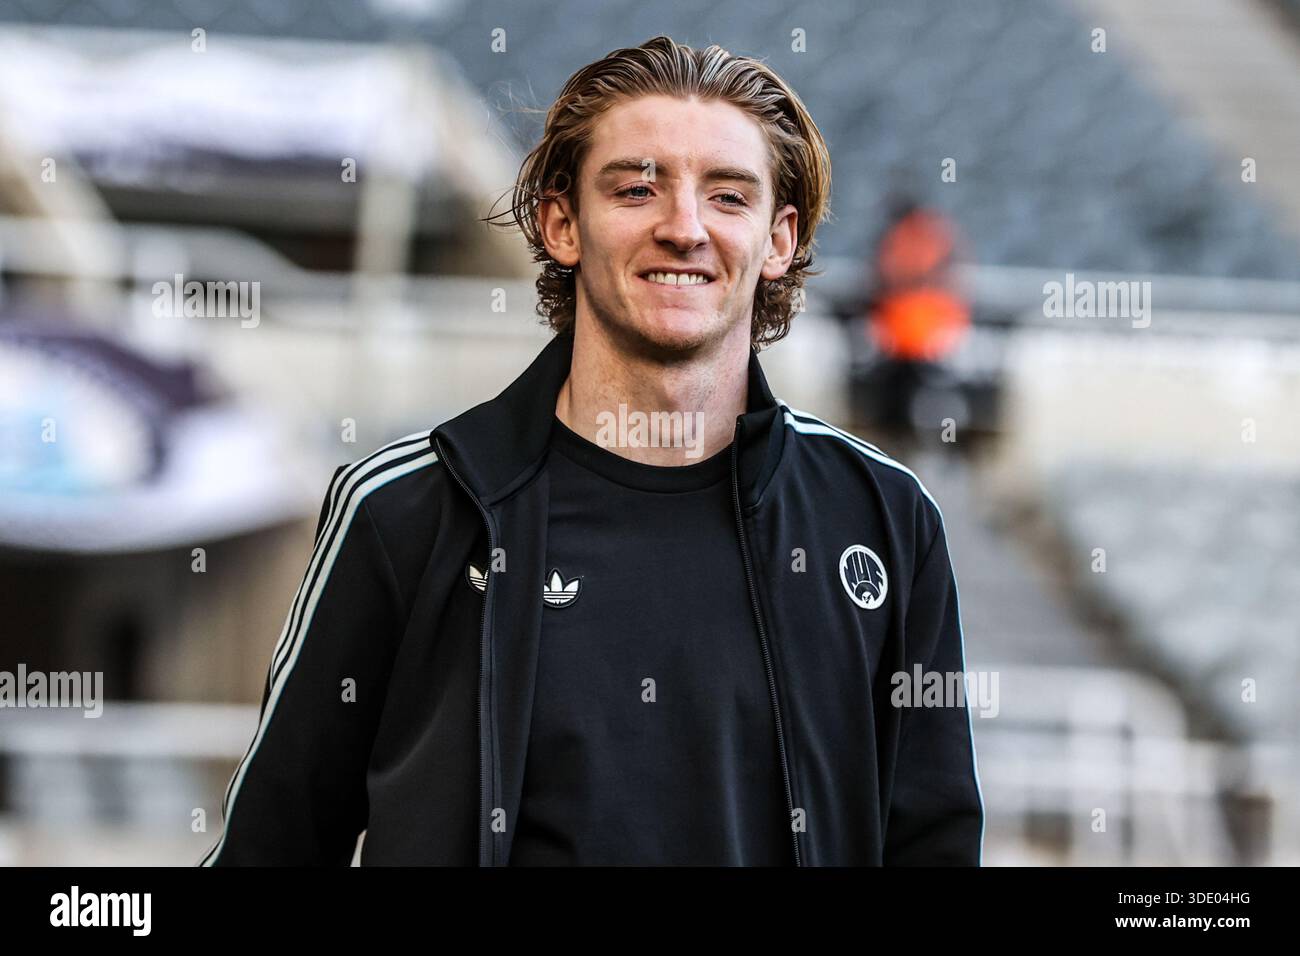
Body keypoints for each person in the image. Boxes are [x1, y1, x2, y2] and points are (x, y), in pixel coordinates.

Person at [200, 35, 983, 867]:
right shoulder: (408, 511)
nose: (684, 228)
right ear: (561, 223)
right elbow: (269, 848)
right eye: (638, 188)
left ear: (779, 240)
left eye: (727, 196)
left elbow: (933, 847)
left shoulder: (884, 522)